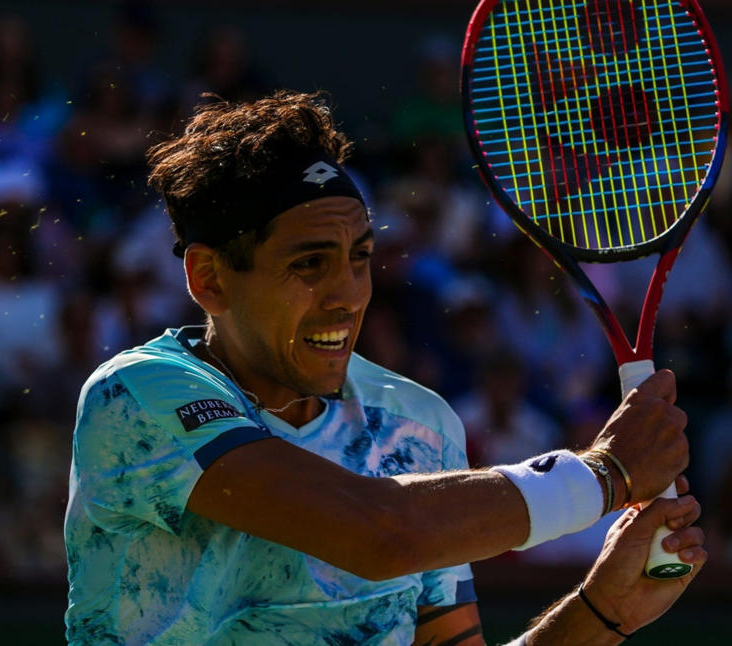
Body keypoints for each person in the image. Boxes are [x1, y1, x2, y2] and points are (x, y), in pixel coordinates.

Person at [64, 91, 701, 645]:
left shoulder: (417, 421)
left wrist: (602, 610)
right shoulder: (135, 399)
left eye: (360, 257)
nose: (349, 295)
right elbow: (380, 534)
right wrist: (607, 474)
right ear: (209, 277)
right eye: (309, 264)